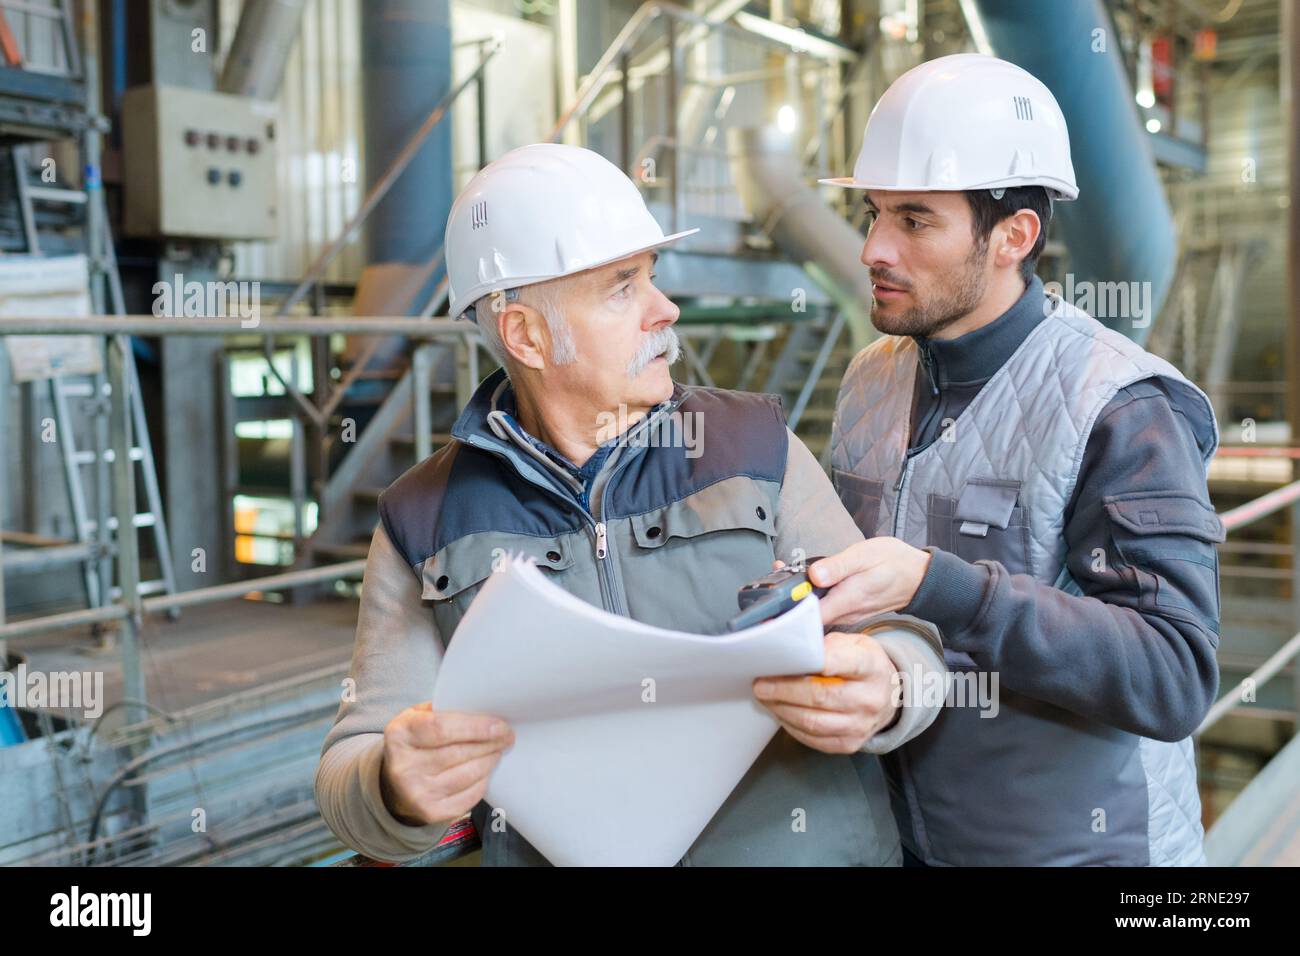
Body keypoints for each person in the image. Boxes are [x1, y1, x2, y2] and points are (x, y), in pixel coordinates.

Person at [314, 143, 945, 866]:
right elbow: (349, 770)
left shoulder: (752, 446)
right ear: (526, 335)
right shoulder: (423, 519)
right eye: (621, 288)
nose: (664, 309)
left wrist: (887, 687)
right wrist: (395, 784)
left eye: (652, 276)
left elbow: (903, 638)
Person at [799, 54, 1223, 866]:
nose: (872, 249)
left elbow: (1171, 676)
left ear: (1013, 237)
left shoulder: (1120, 406)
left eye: (915, 221)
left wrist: (940, 584)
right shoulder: (870, 379)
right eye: (873, 213)